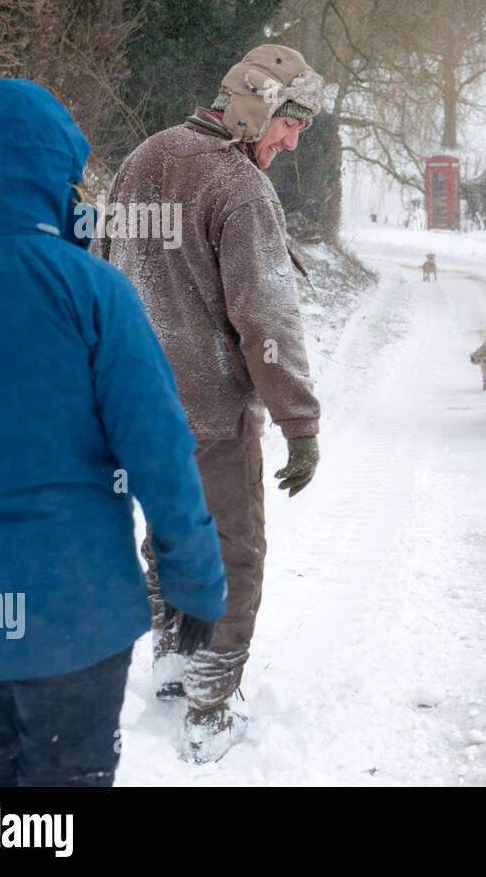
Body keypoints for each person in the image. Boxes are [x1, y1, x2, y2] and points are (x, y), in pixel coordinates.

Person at [0, 78, 226, 786]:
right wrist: (196, 583)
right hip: (72, 612)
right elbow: (159, 450)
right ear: (51, 176)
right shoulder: (93, 291)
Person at [98, 44, 323, 762]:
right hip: (209, 415)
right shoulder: (240, 188)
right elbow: (268, 321)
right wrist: (301, 422)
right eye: (289, 123)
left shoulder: (142, 159)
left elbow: (102, 270)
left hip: (135, 410)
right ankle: (210, 705)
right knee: (233, 553)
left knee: (169, 538)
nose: (290, 141)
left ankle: (172, 658)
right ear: (256, 104)